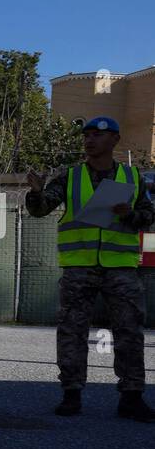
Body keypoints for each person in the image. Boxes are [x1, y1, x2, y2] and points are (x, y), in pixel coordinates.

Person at [26, 116, 154, 422]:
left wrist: (129, 215)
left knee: (129, 332)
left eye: (98, 135)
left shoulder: (132, 177)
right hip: (79, 267)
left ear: (115, 140)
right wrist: (36, 192)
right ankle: (71, 394)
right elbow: (40, 209)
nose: (90, 140)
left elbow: (147, 217)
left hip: (120, 267)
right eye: (87, 135)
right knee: (72, 331)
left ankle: (132, 398)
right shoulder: (69, 177)